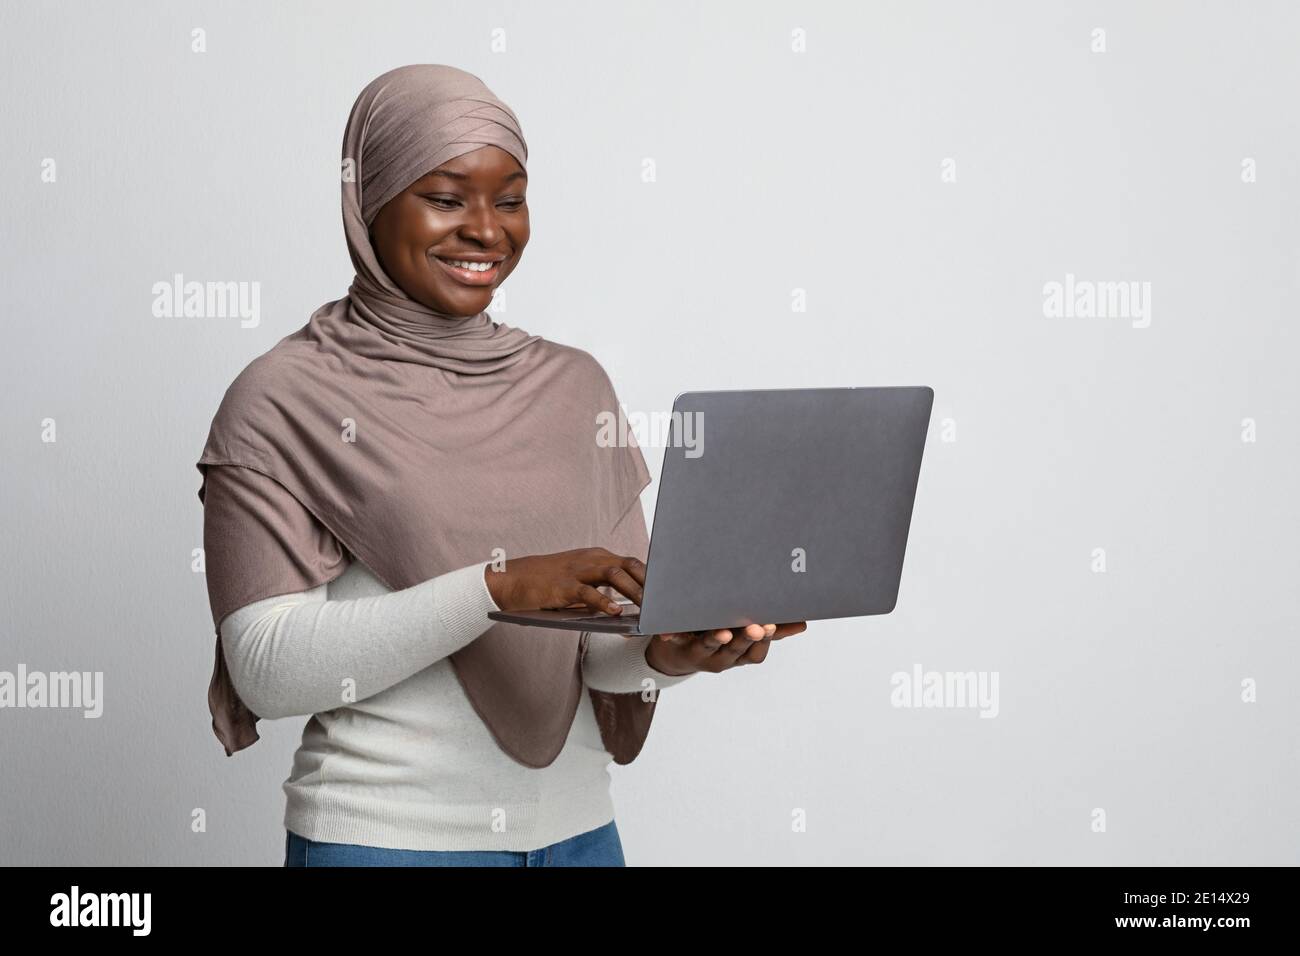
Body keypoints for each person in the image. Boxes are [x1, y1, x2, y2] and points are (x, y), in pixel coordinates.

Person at [195, 64, 806, 868]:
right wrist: (494, 589)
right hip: (387, 844)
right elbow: (266, 672)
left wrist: (672, 653)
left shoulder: (573, 385)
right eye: (446, 199)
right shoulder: (282, 397)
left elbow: (602, 650)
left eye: (510, 200)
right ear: (369, 200)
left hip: (581, 838)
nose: (488, 231)